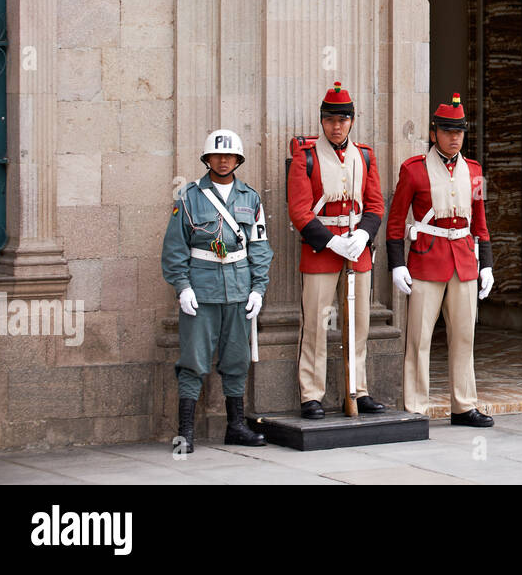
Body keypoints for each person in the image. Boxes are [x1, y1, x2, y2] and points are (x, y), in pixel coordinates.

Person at [386, 93, 495, 426]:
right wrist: (396, 262)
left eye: (459, 132)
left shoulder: (475, 172)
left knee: (464, 336)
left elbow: (480, 222)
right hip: (425, 260)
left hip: (463, 260)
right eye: (448, 131)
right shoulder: (413, 170)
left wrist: (487, 263)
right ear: (434, 133)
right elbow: (395, 220)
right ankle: (415, 407)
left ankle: (463, 405)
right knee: (419, 337)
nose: (454, 138)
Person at [161, 129, 272, 452]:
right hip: (202, 289)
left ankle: (235, 426)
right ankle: (185, 432)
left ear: (238, 160)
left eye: (229, 156)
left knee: (237, 360)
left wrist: (258, 289)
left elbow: (260, 247)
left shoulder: (250, 198)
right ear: (207, 158)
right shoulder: (189, 196)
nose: (223, 161)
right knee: (193, 361)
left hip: (239, 289)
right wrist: (182, 286)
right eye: (217, 156)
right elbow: (174, 247)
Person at [287, 81, 385, 419]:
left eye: (343, 120)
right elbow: (299, 210)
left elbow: (375, 204)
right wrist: (330, 241)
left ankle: (358, 389)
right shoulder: (306, 156)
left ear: (352, 121)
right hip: (321, 250)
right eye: (330, 120)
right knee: (315, 323)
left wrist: (364, 235)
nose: (337, 126)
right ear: (322, 121)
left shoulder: (366, 155)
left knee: (358, 323)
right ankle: (311, 394)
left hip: (357, 247)